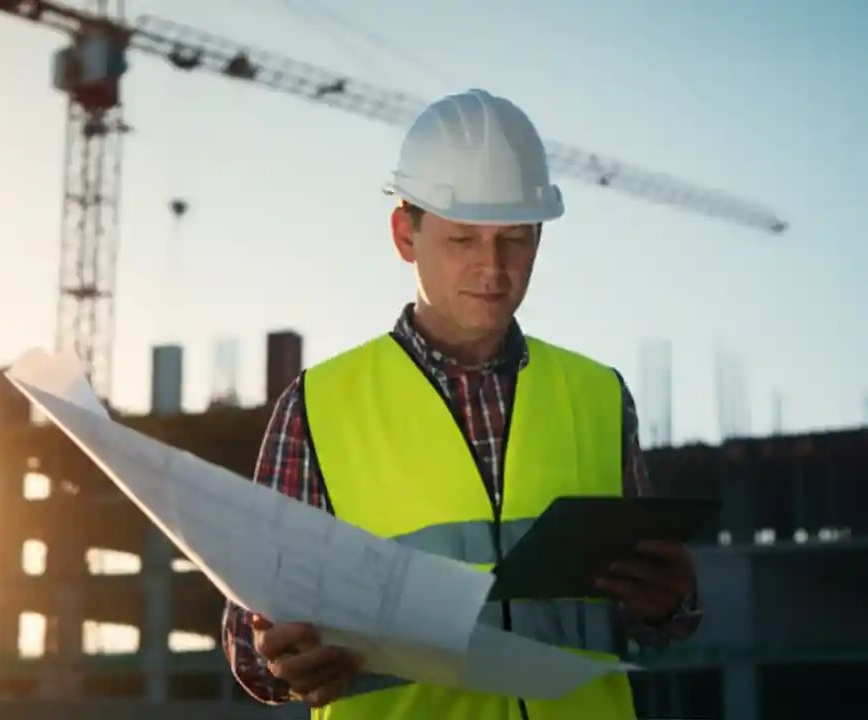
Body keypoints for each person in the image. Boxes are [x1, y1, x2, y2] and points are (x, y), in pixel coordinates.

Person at [220, 88, 703, 718]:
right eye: (463, 240)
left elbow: (652, 619)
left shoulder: (600, 396)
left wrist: (671, 604)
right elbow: (250, 644)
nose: (493, 268)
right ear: (405, 234)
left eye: (515, 239)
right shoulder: (318, 406)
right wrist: (280, 657)